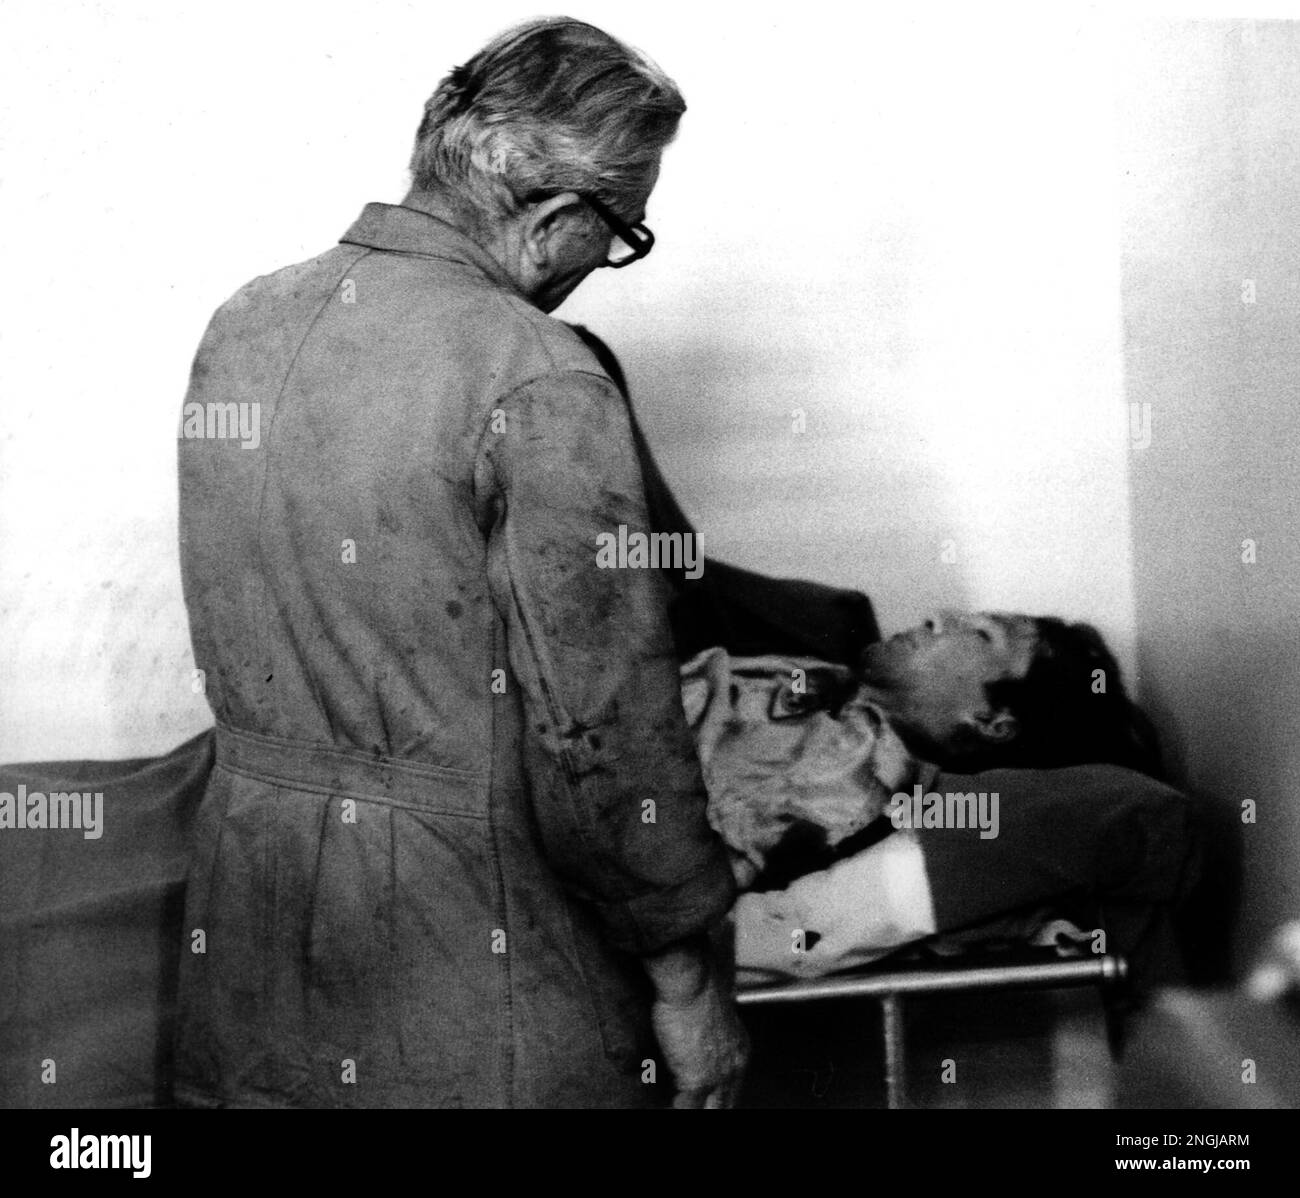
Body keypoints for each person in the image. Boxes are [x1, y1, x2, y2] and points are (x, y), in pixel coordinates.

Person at [174, 18, 750, 1109]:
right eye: (621, 232)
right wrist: (689, 975)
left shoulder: (242, 323)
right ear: (553, 217)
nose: (601, 265)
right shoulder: (536, 372)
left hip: (247, 934)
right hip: (470, 960)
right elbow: (602, 733)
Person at [678, 612, 1203, 990]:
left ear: (990, 721)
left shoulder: (862, 782)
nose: (939, 617)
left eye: (980, 633)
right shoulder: (821, 672)